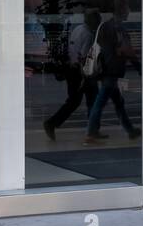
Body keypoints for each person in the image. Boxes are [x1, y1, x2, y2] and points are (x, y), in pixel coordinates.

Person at [85, 0, 141, 144]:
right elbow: (126, 50)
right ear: (122, 11)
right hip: (112, 71)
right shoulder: (118, 28)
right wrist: (139, 66)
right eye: (127, 9)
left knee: (118, 102)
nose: (129, 11)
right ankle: (91, 133)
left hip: (106, 69)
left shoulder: (105, 26)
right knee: (100, 102)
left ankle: (130, 130)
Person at [42, 8, 101, 140]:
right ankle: (53, 123)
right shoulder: (88, 35)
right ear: (93, 21)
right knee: (90, 100)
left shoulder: (78, 29)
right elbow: (84, 57)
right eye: (97, 20)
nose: (98, 23)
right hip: (81, 73)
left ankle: (53, 123)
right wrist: (87, 76)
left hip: (72, 69)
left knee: (76, 101)